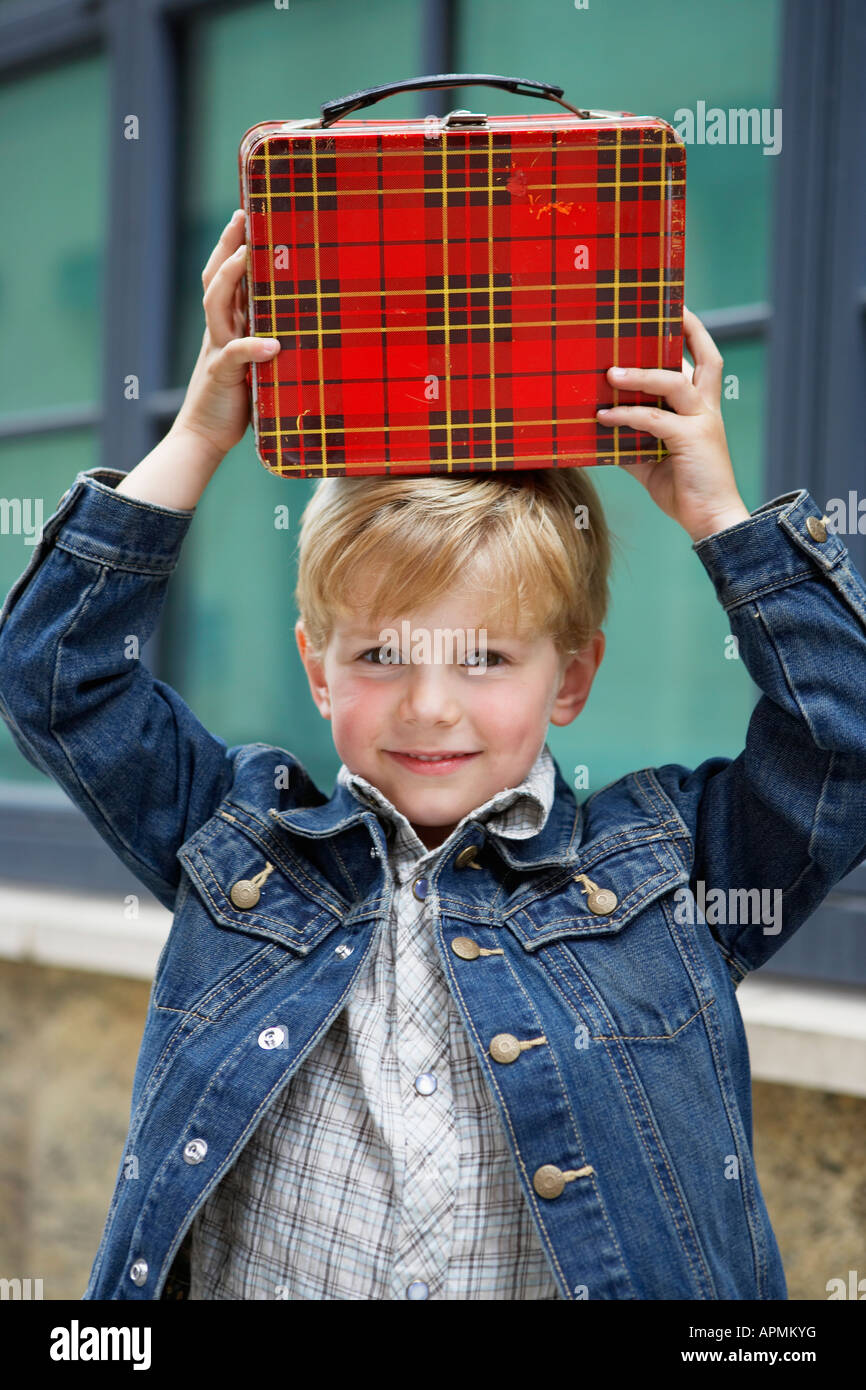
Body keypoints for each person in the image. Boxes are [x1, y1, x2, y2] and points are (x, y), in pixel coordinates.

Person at [1, 210, 865, 1301]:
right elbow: (51, 677)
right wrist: (199, 435)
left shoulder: (675, 875)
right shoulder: (238, 839)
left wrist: (718, 516)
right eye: (378, 654)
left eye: (486, 657)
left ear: (571, 677)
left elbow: (846, 734)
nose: (427, 704)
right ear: (317, 670)